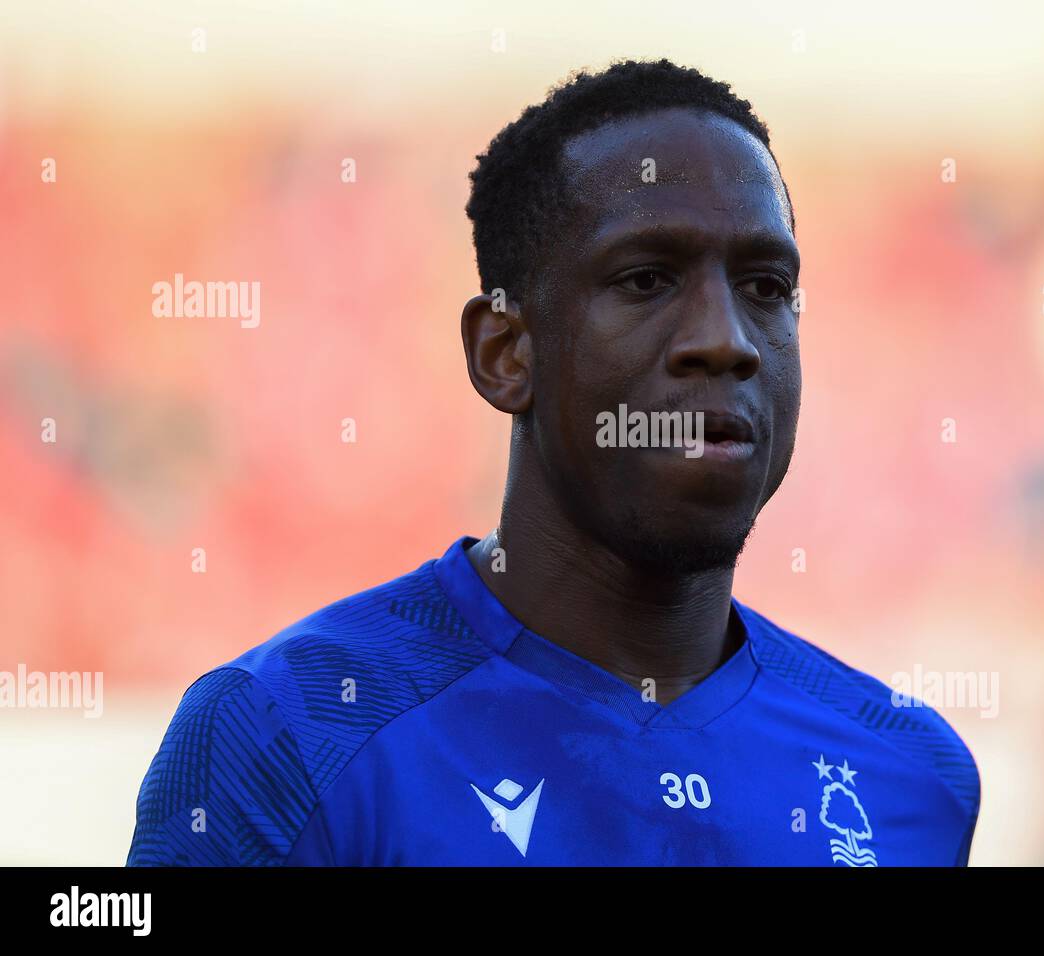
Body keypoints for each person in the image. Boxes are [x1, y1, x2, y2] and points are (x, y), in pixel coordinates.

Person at [127, 58, 979, 866]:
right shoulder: (287, 734)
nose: (726, 340)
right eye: (647, 279)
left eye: (765, 287)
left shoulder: (909, 774)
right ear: (506, 352)